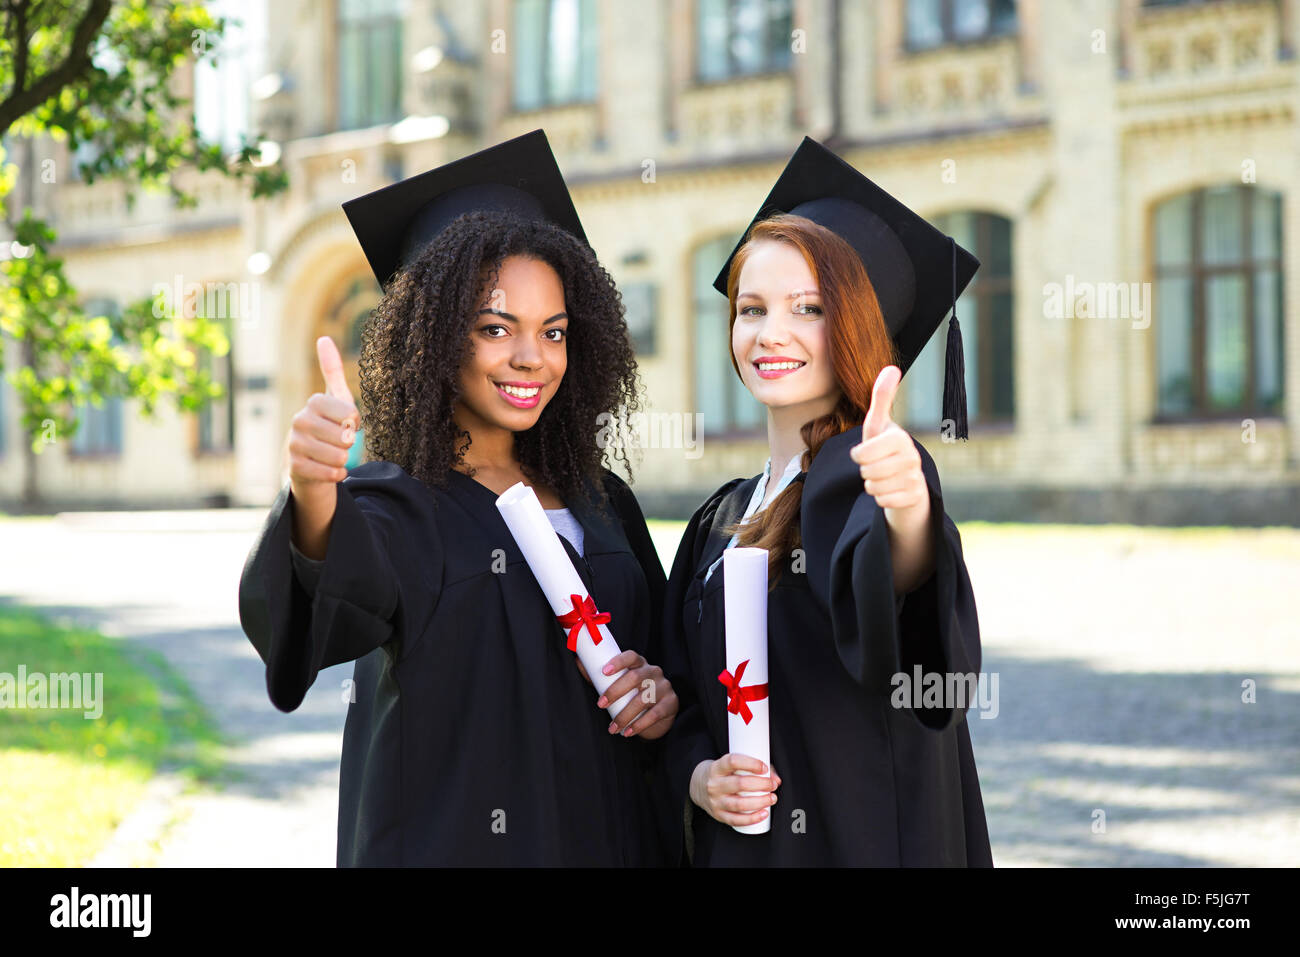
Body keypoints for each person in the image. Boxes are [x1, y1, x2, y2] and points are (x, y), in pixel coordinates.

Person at [238, 131, 678, 866]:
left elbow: (670, 668)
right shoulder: (399, 507)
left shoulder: (607, 505)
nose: (531, 357)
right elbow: (338, 585)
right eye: (493, 328)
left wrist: (662, 697)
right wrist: (314, 492)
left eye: (554, 331)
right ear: (432, 338)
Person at [659, 137, 993, 866]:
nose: (770, 332)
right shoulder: (721, 518)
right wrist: (698, 776)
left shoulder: (862, 475)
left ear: (856, 327)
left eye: (807, 307)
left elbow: (893, 596)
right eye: (752, 309)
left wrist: (909, 515)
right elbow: (685, 695)